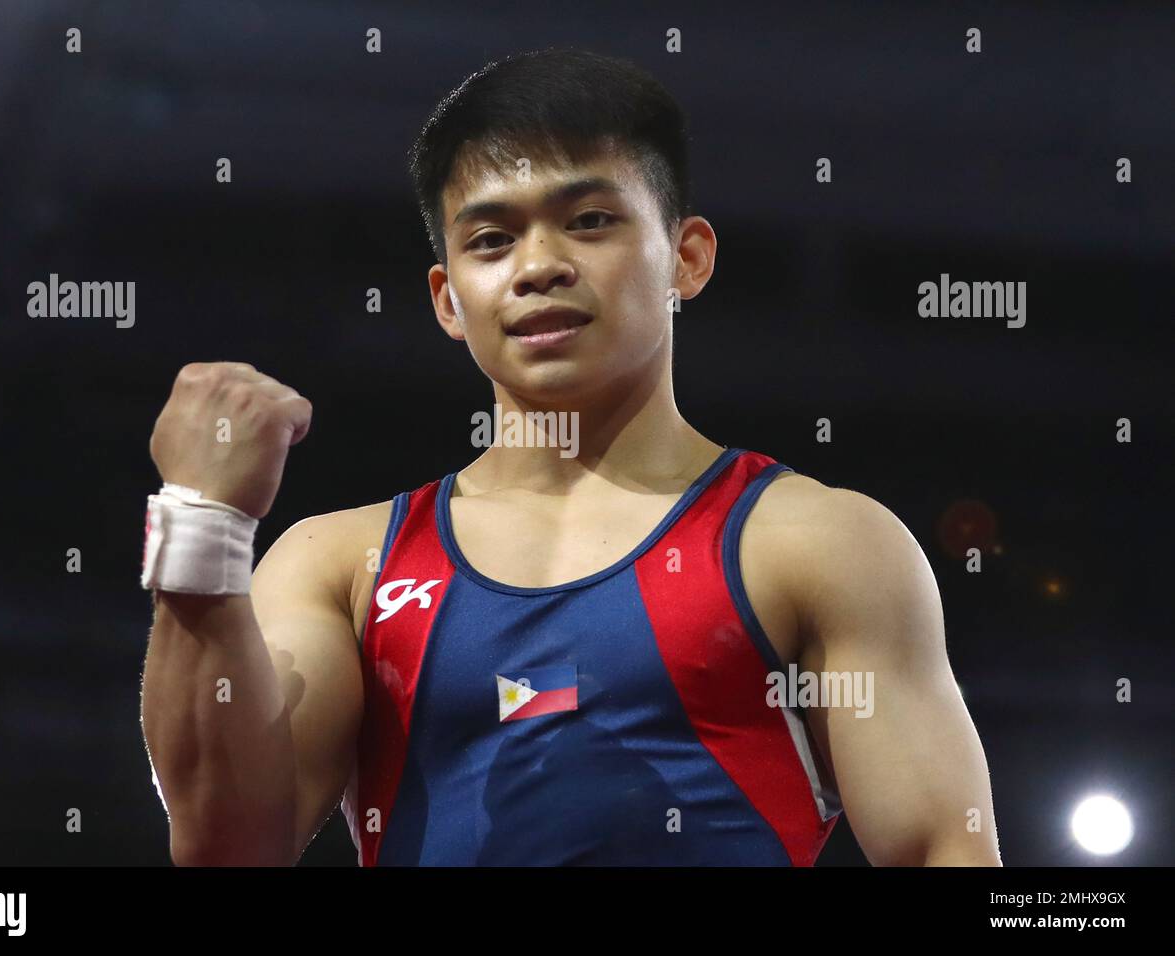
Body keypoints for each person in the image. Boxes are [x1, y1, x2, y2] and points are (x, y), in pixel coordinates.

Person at [139, 47, 1001, 866]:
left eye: (589, 221)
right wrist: (201, 528)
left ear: (687, 258)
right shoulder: (341, 564)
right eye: (489, 241)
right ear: (447, 299)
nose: (539, 265)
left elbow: (947, 851)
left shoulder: (818, 542)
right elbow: (226, 849)